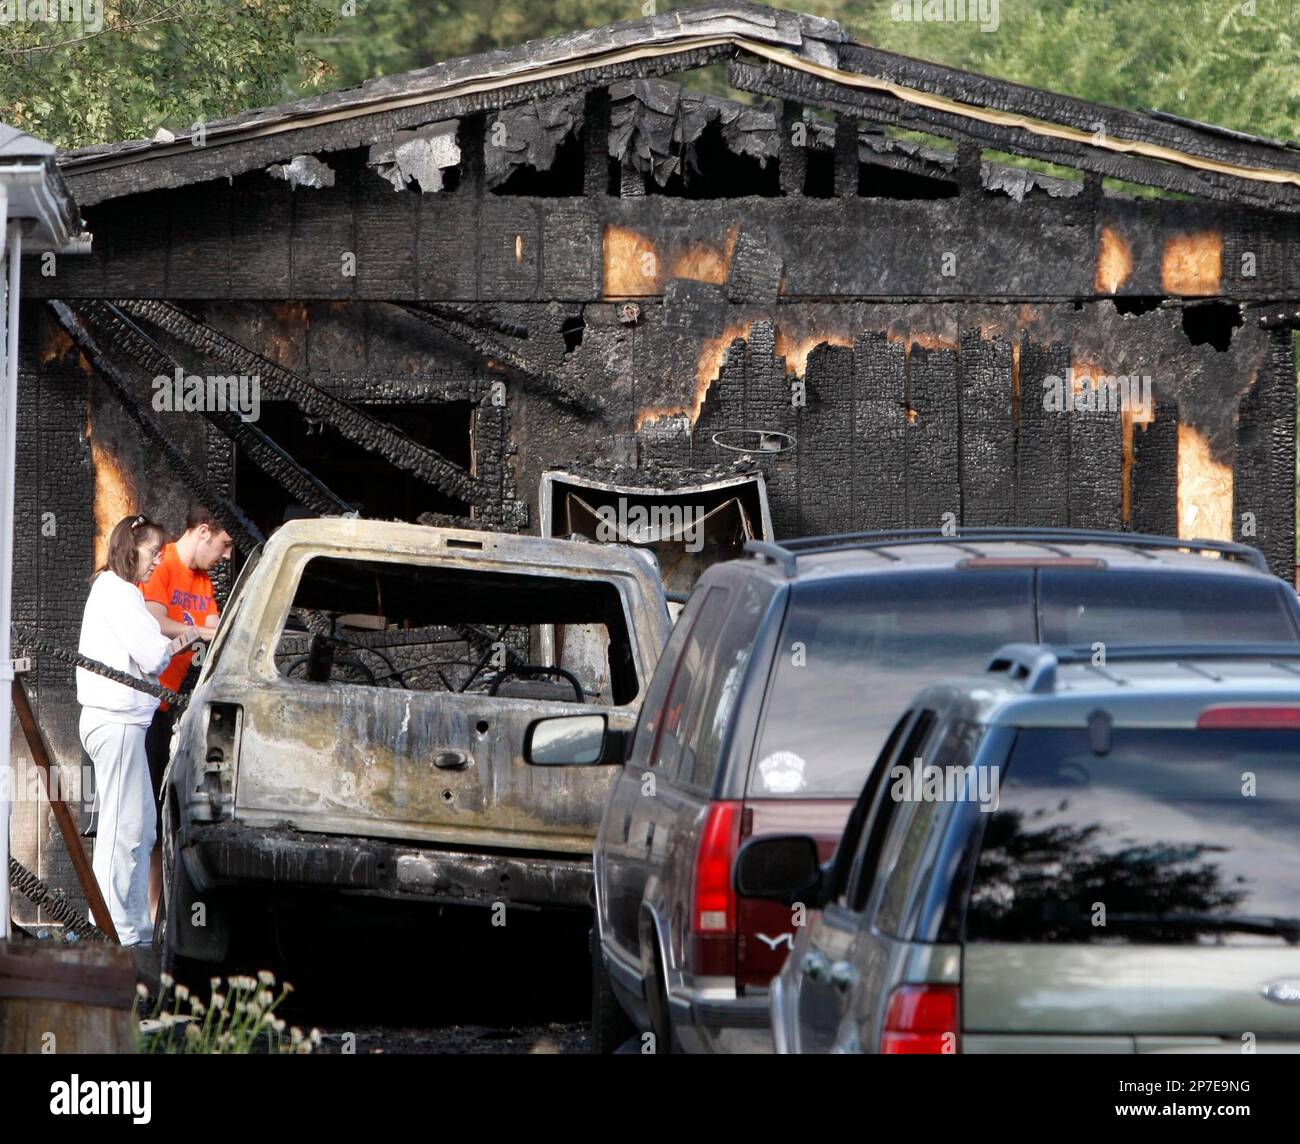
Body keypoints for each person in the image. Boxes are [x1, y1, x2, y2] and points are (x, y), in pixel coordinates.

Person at [77, 514, 202, 946]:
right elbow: (152, 656)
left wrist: (175, 642)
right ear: (131, 549)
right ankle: (110, 927)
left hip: (127, 721)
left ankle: (132, 928)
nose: (155, 562)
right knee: (121, 827)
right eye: (152, 552)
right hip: (116, 722)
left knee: (141, 827)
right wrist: (183, 640)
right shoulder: (116, 592)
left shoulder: (124, 592)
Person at [140, 504, 232, 918]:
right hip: (141, 705)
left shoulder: (203, 579)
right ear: (204, 531)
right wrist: (195, 629)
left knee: (159, 821)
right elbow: (156, 622)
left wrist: (196, 628)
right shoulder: (164, 566)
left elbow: (221, 629)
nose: (227, 555)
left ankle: (154, 913)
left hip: (166, 707)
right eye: (225, 544)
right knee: (137, 819)